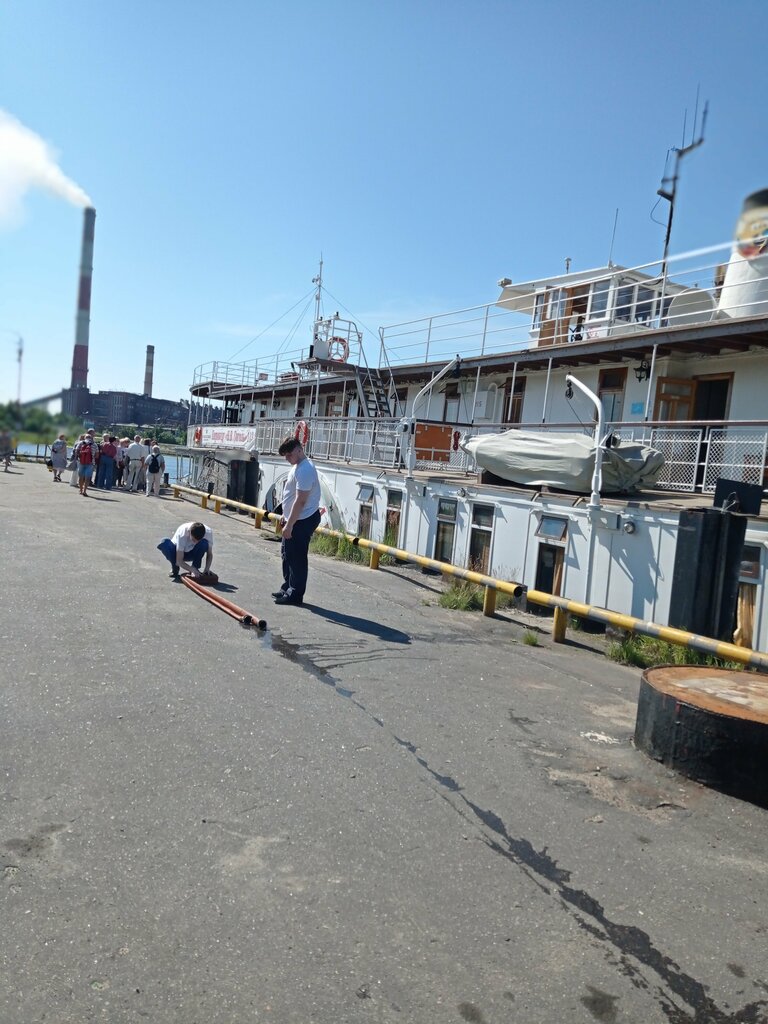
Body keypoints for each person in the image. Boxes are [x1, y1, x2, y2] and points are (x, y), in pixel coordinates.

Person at [273, 435, 321, 605]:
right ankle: (287, 587)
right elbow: (290, 495)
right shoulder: (296, 466)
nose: (287, 459)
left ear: (299, 450)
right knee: (287, 555)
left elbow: (301, 500)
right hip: (294, 518)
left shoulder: (306, 469)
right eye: (285, 456)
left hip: (302, 519)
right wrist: (285, 517)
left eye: (289, 455)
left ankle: (295, 594)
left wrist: (290, 524)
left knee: (297, 558)